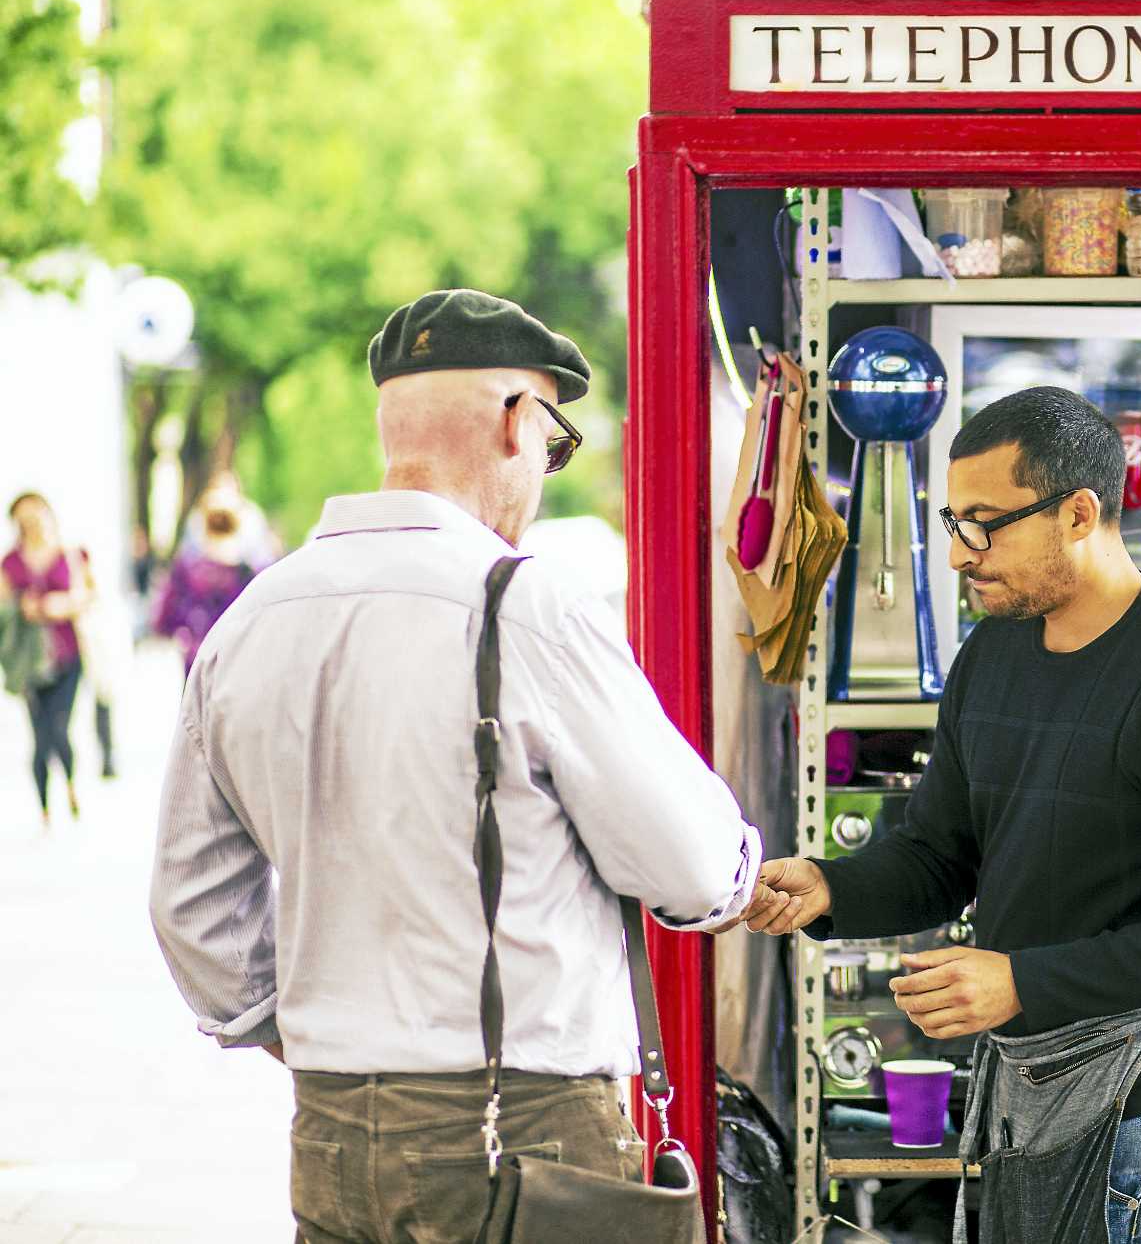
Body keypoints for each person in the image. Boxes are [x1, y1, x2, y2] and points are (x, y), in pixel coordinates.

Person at [149, 289, 766, 1244]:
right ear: (520, 420)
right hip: (522, 1130)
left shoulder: (253, 618)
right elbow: (690, 869)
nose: (547, 472)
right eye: (555, 445)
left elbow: (191, 901)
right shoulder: (526, 608)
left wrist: (314, 1038)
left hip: (331, 1135)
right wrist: (741, 866)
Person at [742, 386, 1141, 1244]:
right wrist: (826, 886)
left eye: (984, 524)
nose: (960, 555)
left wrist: (1021, 981)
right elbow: (938, 853)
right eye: (954, 521)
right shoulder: (991, 651)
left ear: (1079, 513)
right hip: (1022, 1088)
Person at [2, 493, 92, 825]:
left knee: (59, 727)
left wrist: (61, 604)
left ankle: (69, 783)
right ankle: (44, 809)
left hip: (66, 654)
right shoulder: (10, 563)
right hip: (29, 661)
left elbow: (85, 595)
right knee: (39, 736)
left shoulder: (69, 555)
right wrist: (19, 607)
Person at [152, 484, 267, 672]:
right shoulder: (248, 572)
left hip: (197, 661)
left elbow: (164, 618)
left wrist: (184, 635)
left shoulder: (187, 568)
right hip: (236, 662)